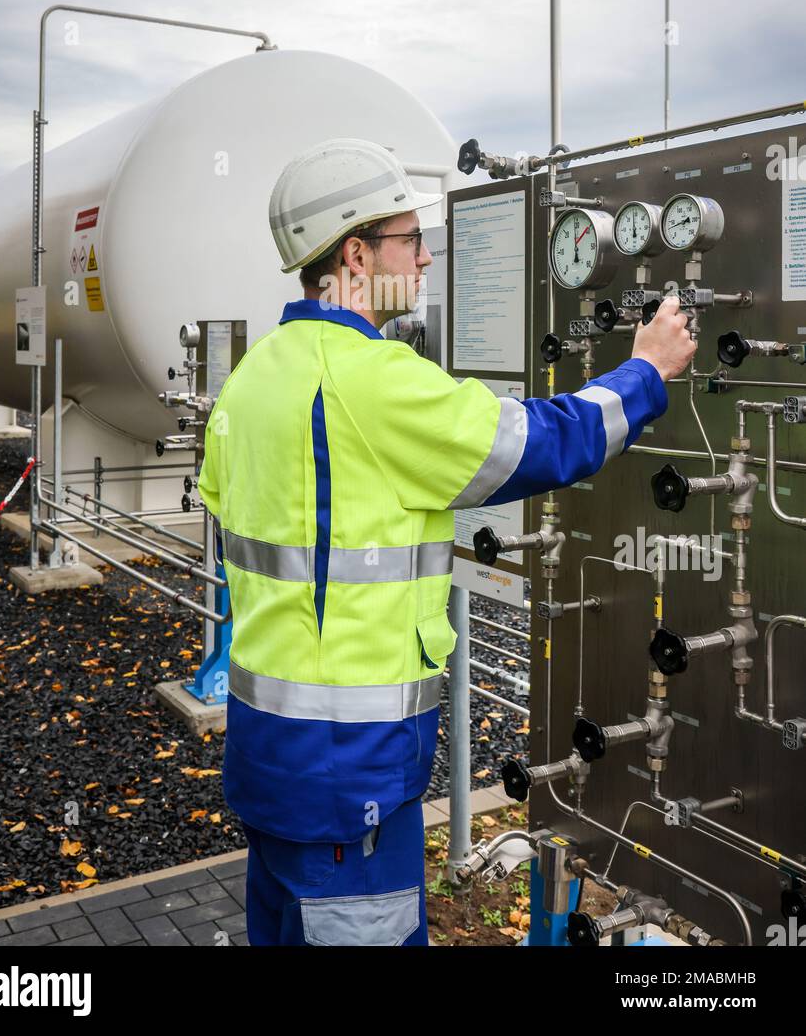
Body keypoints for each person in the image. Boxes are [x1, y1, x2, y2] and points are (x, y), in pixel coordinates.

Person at [197, 137, 695, 946]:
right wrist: (645, 371)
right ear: (357, 254)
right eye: (410, 239)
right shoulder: (369, 377)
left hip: (271, 755)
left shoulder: (256, 374)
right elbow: (538, 443)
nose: (426, 258)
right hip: (347, 772)